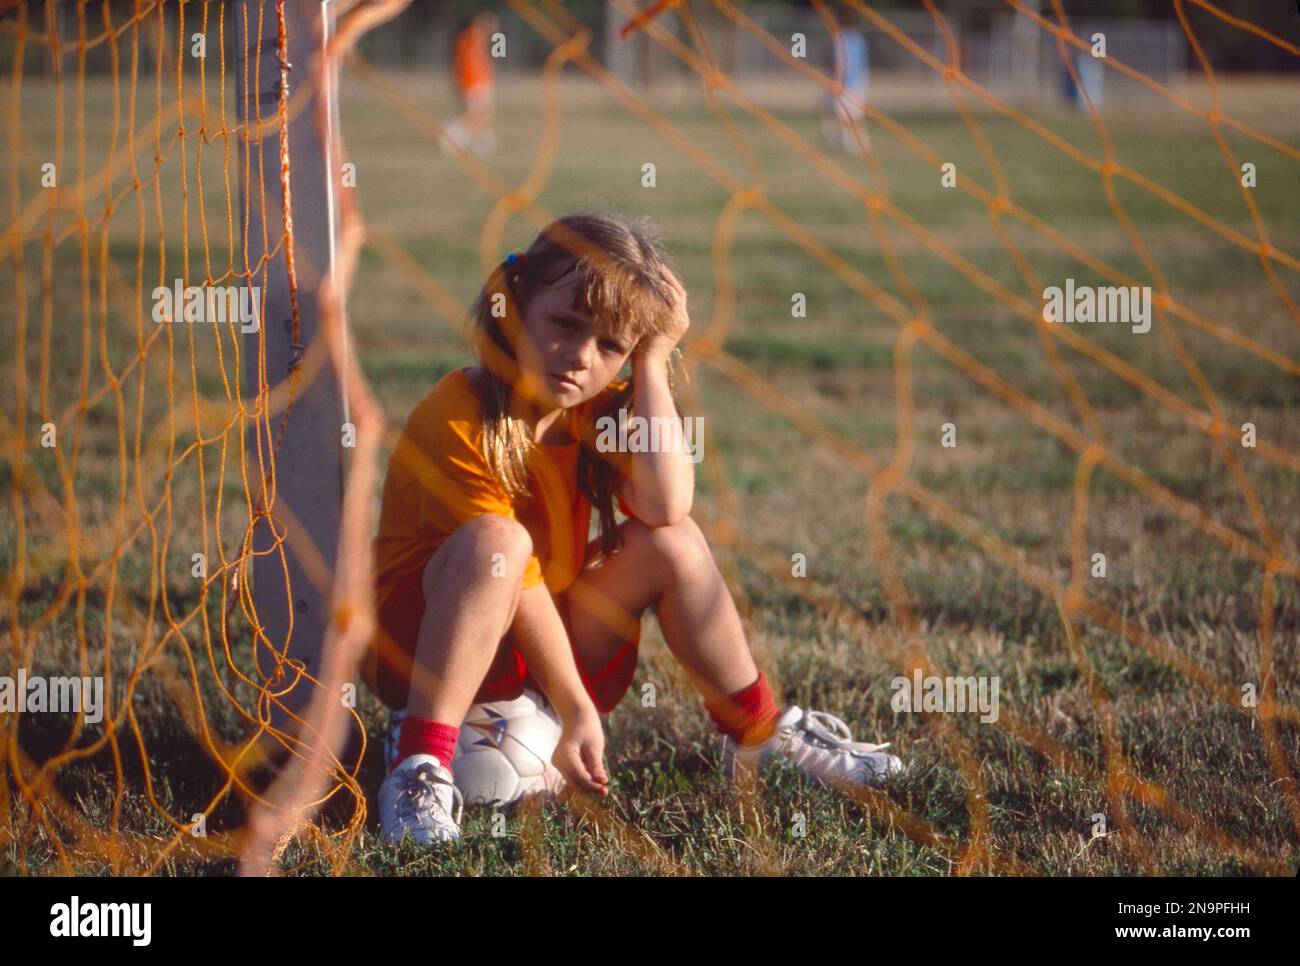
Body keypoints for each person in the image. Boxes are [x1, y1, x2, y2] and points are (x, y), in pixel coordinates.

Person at [363, 213, 904, 845]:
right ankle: (418, 765)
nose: (582, 357)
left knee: (672, 541)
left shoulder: (598, 409)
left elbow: (667, 501)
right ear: (514, 306)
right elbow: (517, 573)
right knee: (499, 543)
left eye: (611, 345)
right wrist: (575, 705)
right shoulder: (456, 413)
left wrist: (653, 357)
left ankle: (758, 736)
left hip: (537, 636)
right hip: (425, 643)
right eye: (565, 325)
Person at [443, 11, 498, 156]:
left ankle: (479, 139)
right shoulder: (469, 39)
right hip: (472, 80)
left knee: (483, 113)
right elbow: (466, 63)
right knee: (474, 114)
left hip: (480, 80)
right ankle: (453, 135)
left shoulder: (480, 38)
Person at [818, 9, 870, 153]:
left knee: (846, 115)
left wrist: (837, 81)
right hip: (858, 81)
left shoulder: (839, 37)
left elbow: (840, 61)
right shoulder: (858, 37)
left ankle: (855, 143)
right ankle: (849, 141)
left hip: (846, 83)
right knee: (849, 114)